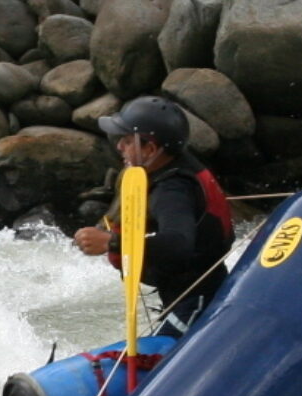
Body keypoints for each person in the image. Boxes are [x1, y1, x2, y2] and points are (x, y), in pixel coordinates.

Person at [73, 95, 234, 338]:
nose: (119, 147)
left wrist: (110, 243)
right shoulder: (168, 167)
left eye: (127, 141)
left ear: (150, 148)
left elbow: (178, 244)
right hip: (188, 292)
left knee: (163, 362)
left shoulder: (173, 190)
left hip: (199, 300)